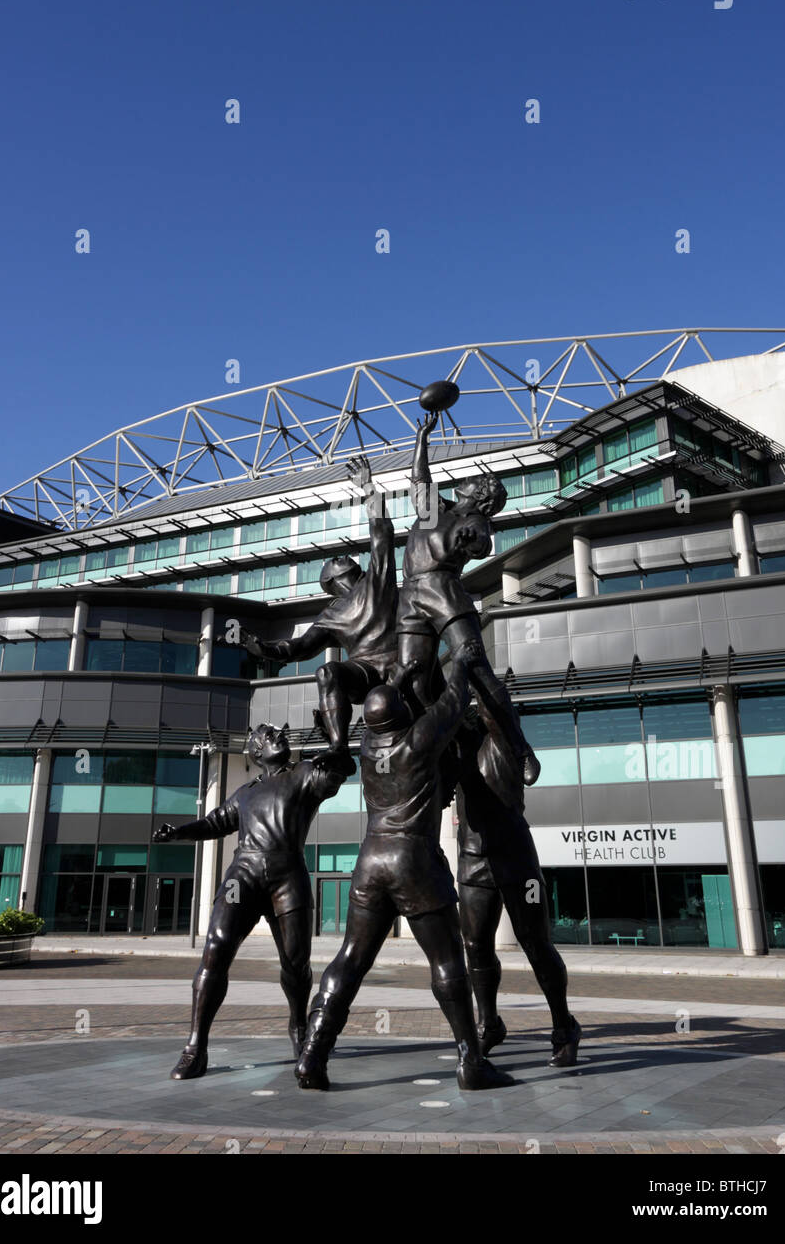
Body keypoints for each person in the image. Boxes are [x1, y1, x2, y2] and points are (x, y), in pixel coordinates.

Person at [296, 640, 510, 1092]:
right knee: (448, 961)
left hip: (370, 861)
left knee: (350, 959)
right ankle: (471, 1061)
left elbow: (382, 711)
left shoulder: (367, 747)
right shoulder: (417, 743)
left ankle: (313, 1053)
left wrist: (396, 678)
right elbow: (454, 702)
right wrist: (463, 662)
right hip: (413, 860)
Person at [152, 723, 352, 1080]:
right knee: (216, 946)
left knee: (295, 963)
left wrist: (335, 745)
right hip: (242, 874)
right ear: (256, 752)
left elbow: (338, 772)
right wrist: (181, 832)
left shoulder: (303, 775)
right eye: (269, 735)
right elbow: (215, 823)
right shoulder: (244, 793)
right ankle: (195, 1047)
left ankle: (298, 1026)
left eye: (281, 735)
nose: (279, 737)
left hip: (287, 874)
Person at [391, 411, 535, 781]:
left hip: (443, 591)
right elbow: (419, 478)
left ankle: (519, 748)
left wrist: (473, 541)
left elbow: (484, 543)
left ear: (482, 496)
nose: (465, 481)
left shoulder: (474, 521)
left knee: (478, 673)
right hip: (410, 596)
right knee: (415, 682)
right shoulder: (434, 509)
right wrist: (422, 438)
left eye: (473, 481)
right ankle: (456, 738)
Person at [240, 456, 396, 764]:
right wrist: (265, 649)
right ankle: (338, 746)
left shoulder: (377, 580)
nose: (343, 556)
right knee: (327, 671)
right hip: (364, 672)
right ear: (331, 580)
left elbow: (382, 534)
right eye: (337, 559)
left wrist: (369, 489)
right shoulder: (331, 614)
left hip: (398, 657)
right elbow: (298, 647)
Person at [454, 700, 581, 1068]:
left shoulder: (506, 741)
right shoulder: (456, 748)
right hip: (473, 860)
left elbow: (529, 770)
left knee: (535, 943)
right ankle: (489, 1023)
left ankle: (564, 1027)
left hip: (515, 859)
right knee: (475, 945)